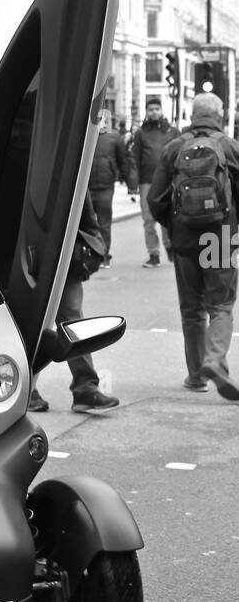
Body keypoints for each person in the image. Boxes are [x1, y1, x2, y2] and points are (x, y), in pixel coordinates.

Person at [147, 92, 239, 398]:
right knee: (221, 305)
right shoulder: (228, 146)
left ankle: (197, 376)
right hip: (220, 238)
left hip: (185, 238)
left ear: (193, 114)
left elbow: (155, 199)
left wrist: (173, 227)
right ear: (219, 115)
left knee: (191, 310)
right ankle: (215, 360)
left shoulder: (175, 147)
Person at [29, 192, 120, 413]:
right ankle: (26, 388)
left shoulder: (65, 158)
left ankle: (85, 388)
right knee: (27, 322)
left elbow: (85, 211)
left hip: (63, 254)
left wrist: (92, 240)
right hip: (27, 253)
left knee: (71, 321)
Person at [129, 98, 178, 267]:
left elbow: (178, 155)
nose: (154, 112)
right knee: (148, 219)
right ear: (146, 112)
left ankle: (169, 245)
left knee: (167, 217)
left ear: (162, 110)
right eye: (151, 109)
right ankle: (153, 254)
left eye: (157, 108)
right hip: (146, 182)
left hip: (168, 181)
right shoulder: (140, 133)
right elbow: (134, 158)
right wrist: (132, 184)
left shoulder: (172, 131)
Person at [87, 110, 130, 267]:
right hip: (87, 187)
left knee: (104, 223)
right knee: (89, 223)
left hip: (106, 186)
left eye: (106, 119)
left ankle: (104, 255)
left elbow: (123, 160)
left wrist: (129, 182)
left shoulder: (115, 137)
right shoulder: (86, 136)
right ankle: (92, 253)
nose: (103, 121)